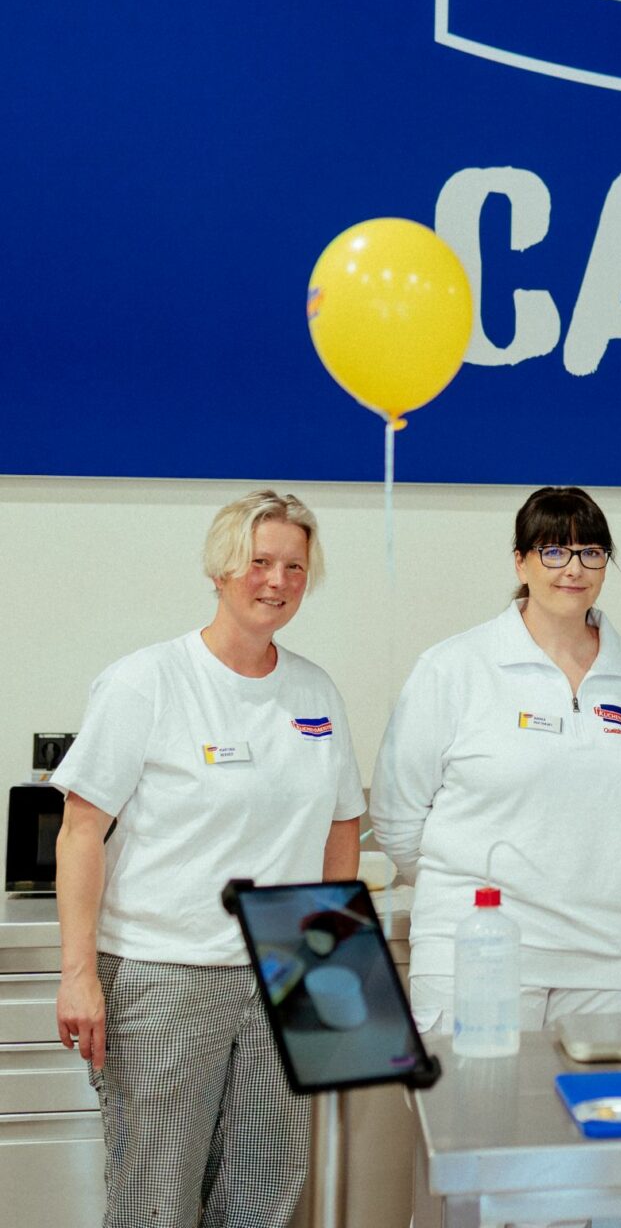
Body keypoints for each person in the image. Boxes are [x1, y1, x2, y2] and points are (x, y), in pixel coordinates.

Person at [52, 490, 364, 1228]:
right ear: (221, 570)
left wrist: (331, 967)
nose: (277, 581)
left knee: (267, 1185)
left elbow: (343, 825)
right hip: (166, 972)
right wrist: (78, 976)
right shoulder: (147, 681)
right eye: (259, 562)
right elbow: (79, 829)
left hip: (286, 969)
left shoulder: (314, 690)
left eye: (294, 566)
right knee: (155, 1193)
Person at [370, 485, 621, 1037]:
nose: (573, 568)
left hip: (612, 951)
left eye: (591, 553)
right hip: (480, 943)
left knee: (589, 1118)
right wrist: (464, 884)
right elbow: (396, 814)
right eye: (554, 552)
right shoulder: (456, 666)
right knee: (475, 1117)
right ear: (521, 561)